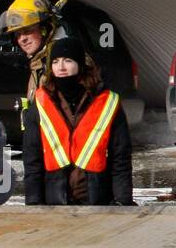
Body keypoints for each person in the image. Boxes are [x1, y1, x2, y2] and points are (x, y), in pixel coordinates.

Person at [23, 37, 133, 206]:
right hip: (54, 203)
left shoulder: (108, 102)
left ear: (81, 65)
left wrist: (123, 201)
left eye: (68, 61)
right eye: (55, 62)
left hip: (97, 200)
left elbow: (121, 159)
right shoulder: (40, 104)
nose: (60, 67)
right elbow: (32, 162)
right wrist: (33, 204)